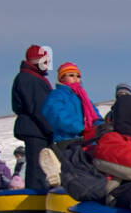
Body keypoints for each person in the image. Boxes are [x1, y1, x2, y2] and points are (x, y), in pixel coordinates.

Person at [11, 45, 54, 192]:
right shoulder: (30, 79)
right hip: (35, 128)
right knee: (38, 166)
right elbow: (38, 108)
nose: (47, 64)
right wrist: (50, 128)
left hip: (35, 127)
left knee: (39, 164)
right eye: (44, 60)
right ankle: (36, 196)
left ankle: (38, 195)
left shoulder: (31, 77)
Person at [41, 62, 104, 148]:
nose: (75, 78)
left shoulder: (83, 97)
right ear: (62, 78)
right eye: (71, 75)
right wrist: (80, 128)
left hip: (86, 139)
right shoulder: (56, 95)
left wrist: (101, 127)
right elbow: (57, 116)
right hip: (65, 140)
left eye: (78, 76)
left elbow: (95, 114)